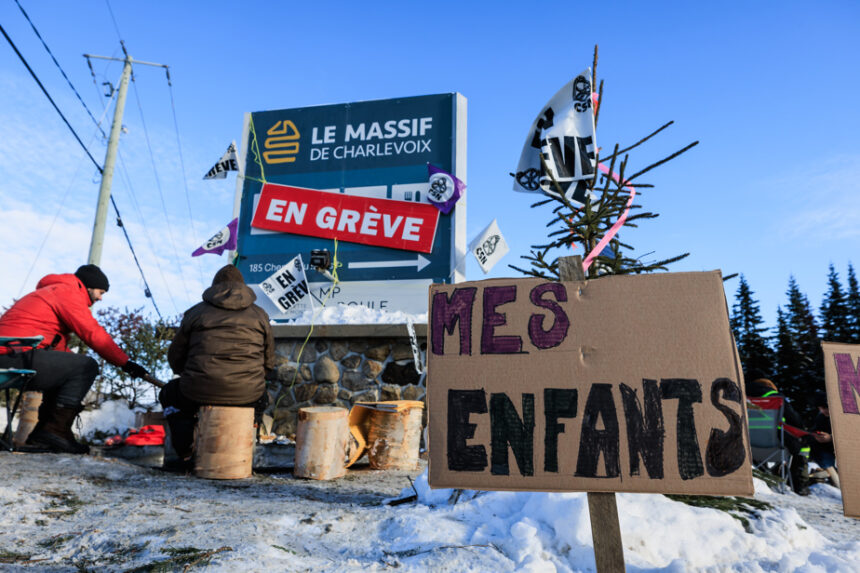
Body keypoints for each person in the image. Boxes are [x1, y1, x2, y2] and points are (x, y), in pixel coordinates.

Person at [0, 264, 150, 453]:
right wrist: (125, 363)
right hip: (14, 355)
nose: (100, 298)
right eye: (100, 292)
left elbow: (59, 352)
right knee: (86, 366)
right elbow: (92, 332)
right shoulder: (67, 292)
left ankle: (44, 435)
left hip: (14, 354)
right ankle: (54, 430)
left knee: (72, 369)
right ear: (89, 286)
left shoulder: (54, 291)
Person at [160, 264, 274, 469]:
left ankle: (184, 453)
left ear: (214, 288)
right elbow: (269, 361)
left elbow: (175, 356)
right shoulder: (260, 315)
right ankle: (247, 452)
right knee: (262, 398)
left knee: (169, 394)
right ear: (243, 287)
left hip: (197, 390)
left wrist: (187, 374)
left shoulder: (195, 313)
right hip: (247, 393)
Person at [745, 377, 810, 495]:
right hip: (774, 446)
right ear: (770, 387)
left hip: (747, 446)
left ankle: (764, 473)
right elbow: (795, 420)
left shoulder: (740, 398)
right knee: (803, 447)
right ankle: (799, 485)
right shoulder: (776, 397)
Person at [808, 391, 840, 489]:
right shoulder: (821, 417)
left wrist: (831, 438)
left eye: (825, 408)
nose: (823, 411)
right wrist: (815, 435)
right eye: (820, 409)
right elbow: (814, 429)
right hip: (824, 450)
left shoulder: (843, 416)